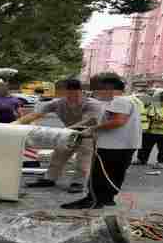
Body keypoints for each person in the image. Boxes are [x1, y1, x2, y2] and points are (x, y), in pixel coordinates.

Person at [61, 75, 142, 209]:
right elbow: (105, 119)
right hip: (125, 145)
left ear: (108, 89)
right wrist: (84, 127)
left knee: (99, 174)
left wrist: (93, 129)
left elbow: (118, 121)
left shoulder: (119, 101)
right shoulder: (129, 101)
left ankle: (93, 200)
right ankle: (107, 199)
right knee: (115, 173)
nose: (97, 92)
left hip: (113, 146)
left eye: (99, 89)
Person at [13, 79, 102, 193]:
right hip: (68, 134)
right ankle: (49, 179)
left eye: (74, 94)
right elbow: (35, 114)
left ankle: (78, 183)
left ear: (81, 92)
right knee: (58, 155)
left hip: (87, 134)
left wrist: (65, 130)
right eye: (68, 94)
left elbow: (87, 122)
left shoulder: (92, 104)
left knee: (83, 160)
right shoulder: (58, 103)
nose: (71, 97)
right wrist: (16, 124)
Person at [136, 92, 163, 168]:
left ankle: (161, 162)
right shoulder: (152, 105)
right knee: (144, 146)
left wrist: (161, 120)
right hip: (150, 130)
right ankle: (141, 160)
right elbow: (147, 115)